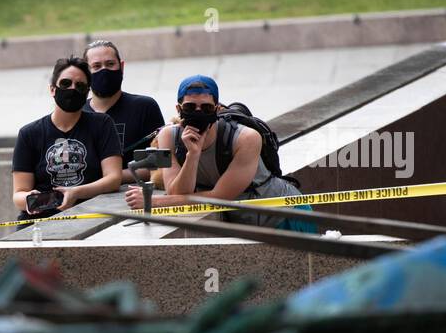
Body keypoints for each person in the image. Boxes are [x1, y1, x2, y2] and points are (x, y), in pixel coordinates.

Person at [126, 75, 310, 230]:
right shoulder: (168, 136)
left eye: (205, 108)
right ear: (178, 109)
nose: (198, 112)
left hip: (284, 215)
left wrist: (153, 202)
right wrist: (192, 155)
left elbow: (220, 197)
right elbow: (176, 192)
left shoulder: (245, 138)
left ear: (217, 109)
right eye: (190, 107)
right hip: (243, 223)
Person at [12, 57, 123, 221]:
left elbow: (113, 179)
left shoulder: (102, 124)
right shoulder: (29, 133)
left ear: (87, 92)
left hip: (91, 217)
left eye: (80, 86)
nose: (72, 89)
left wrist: (76, 192)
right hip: (41, 221)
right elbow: (18, 194)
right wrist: (30, 199)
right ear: (52, 89)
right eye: (65, 83)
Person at [83, 39, 165, 183]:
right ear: (85, 73)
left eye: (110, 64)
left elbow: (160, 164)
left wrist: (108, 179)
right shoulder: (76, 113)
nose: (104, 70)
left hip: (131, 196)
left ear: (121, 67)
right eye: (96, 66)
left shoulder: (145, 107)